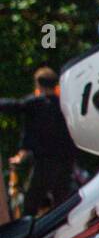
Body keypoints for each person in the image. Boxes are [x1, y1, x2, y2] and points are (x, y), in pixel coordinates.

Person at [0, 66, 77, 217]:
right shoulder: (65, 105)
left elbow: (13, 105)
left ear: (38, 85)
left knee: (31, 203)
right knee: (62, 201)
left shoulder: (35, 103)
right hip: (66, 161)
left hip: (45, 162)